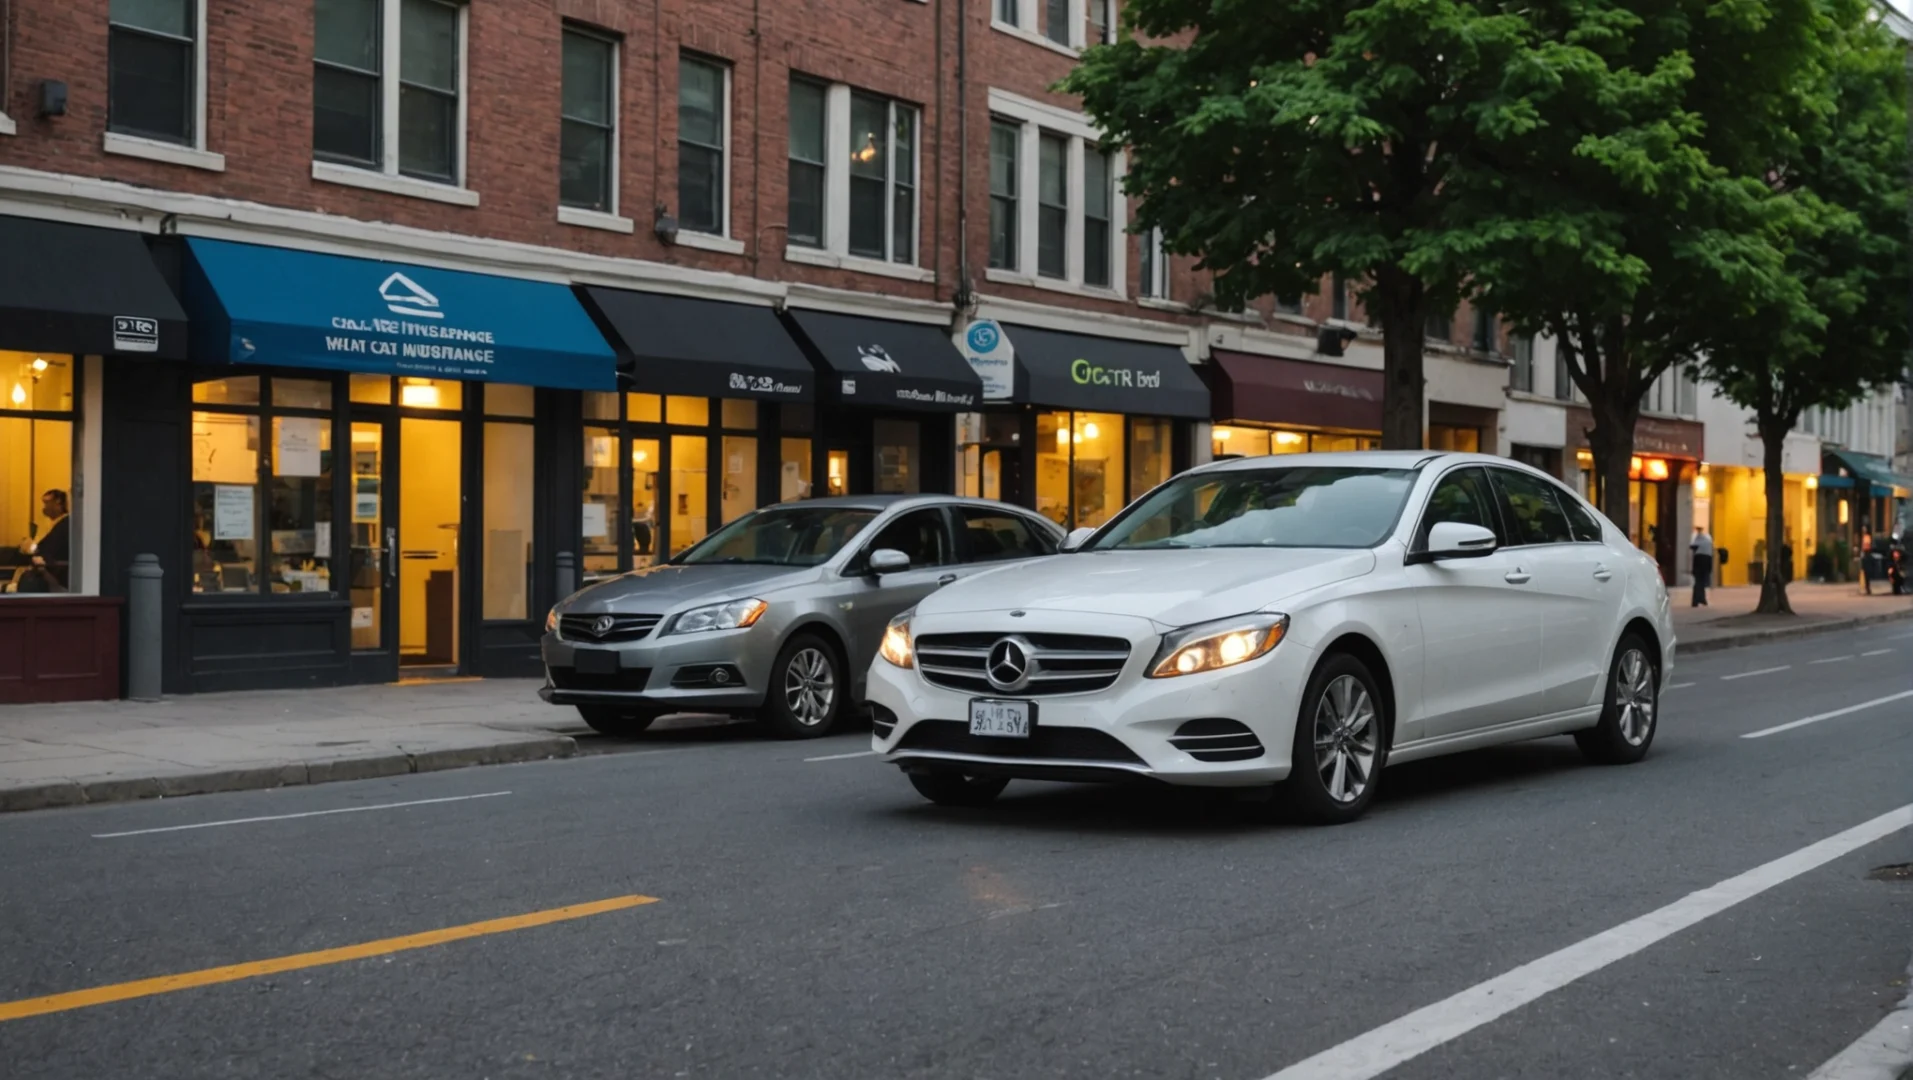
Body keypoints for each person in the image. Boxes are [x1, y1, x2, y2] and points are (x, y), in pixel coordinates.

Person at [33, 489, 70, 589]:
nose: (44, 507)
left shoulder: (65, 524)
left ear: (58, 502)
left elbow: (51, 547)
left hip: (56, 572)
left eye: (47, 503)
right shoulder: (45, 523)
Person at [1688, 524, 1714, 607]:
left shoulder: (1697, 538)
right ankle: (1702, 599)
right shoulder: (1708, 539)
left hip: (1699, 560)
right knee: (1702, 581)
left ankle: (1696, 600)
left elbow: (1692, 547)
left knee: (1698, 581)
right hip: (1706, 559)